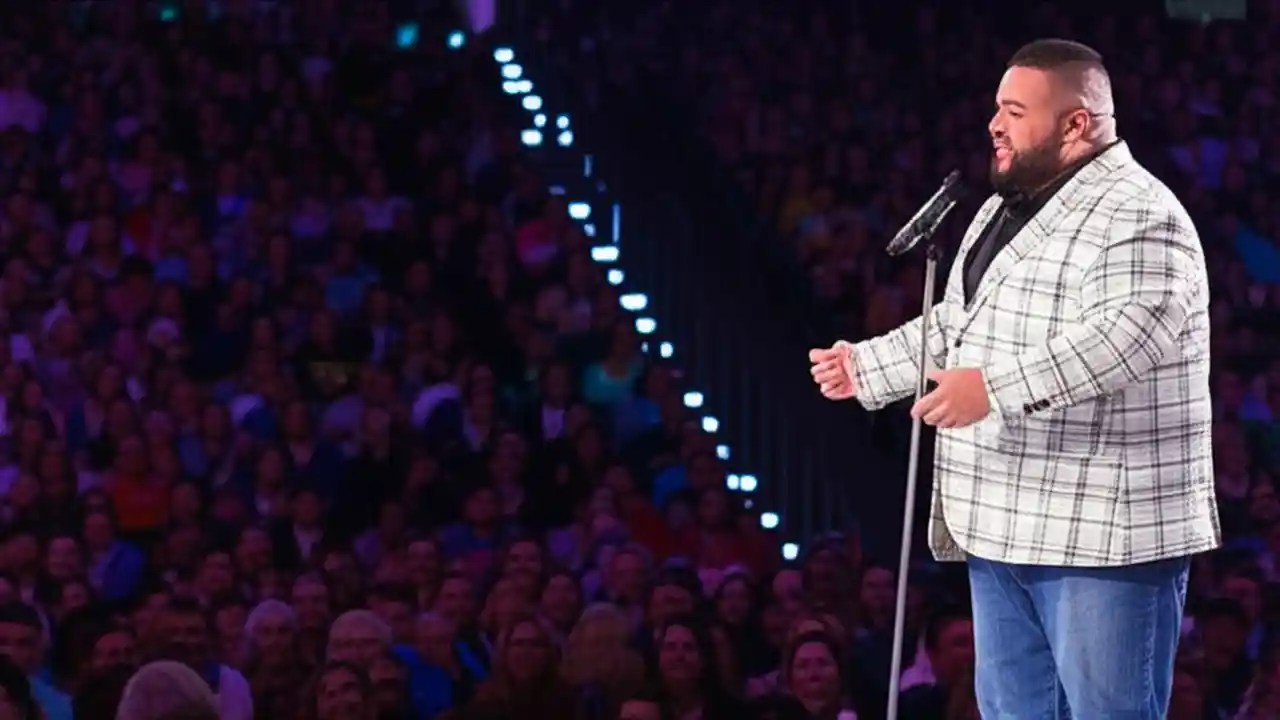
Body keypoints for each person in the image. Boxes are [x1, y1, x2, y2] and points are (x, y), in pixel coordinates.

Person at [808, 38, 1218, 718]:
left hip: (1099, 539)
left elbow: (1123, 340)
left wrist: (992, 388)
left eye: (1013, 110)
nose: (993, 124)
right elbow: (963, 322)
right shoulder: (1006, 207)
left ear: (1075, 124)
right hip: (1002, 523)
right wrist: (869, 366)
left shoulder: (1142, 214)